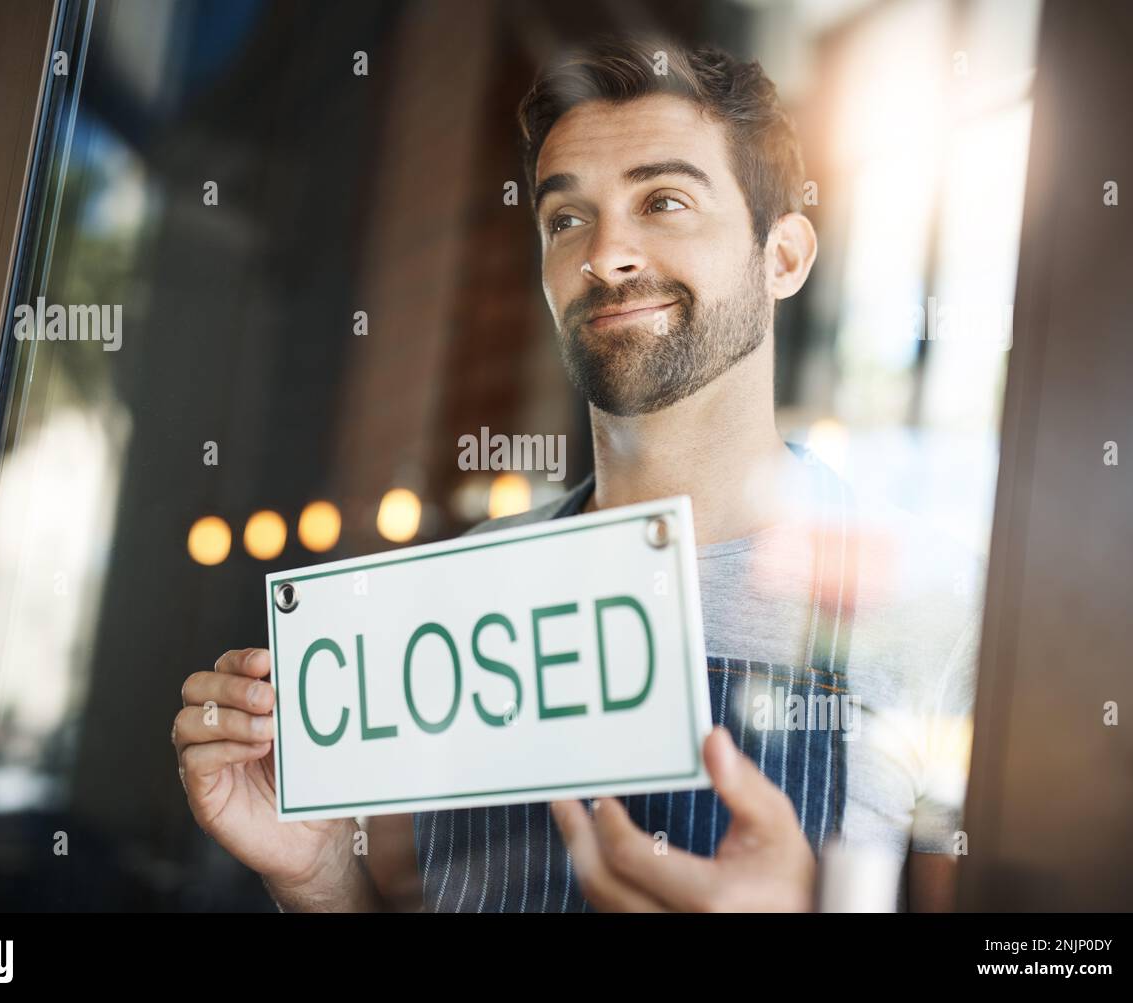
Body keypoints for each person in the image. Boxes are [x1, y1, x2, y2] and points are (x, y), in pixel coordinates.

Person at [172, 35, 981, 913]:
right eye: (566, 220)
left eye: (664, 201)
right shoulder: (456, 596)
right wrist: (319, 874)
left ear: (782, 256)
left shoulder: (934, 607)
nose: (606, 254)